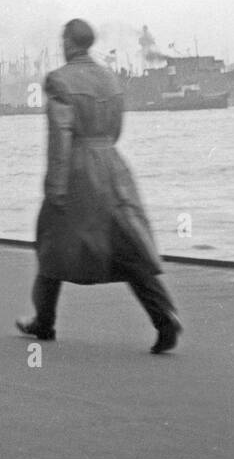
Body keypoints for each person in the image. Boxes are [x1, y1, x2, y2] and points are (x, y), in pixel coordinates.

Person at [18, 19, 181, 354]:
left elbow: (60, 139)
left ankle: (44, 322)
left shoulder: (59, 81)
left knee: (50, 242)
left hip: (77, 169)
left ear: (67, 42)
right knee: (128, 247)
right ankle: (165, 319)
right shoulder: (110, 78)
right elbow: (117, 129)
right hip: (112, 166)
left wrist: (56, 188)